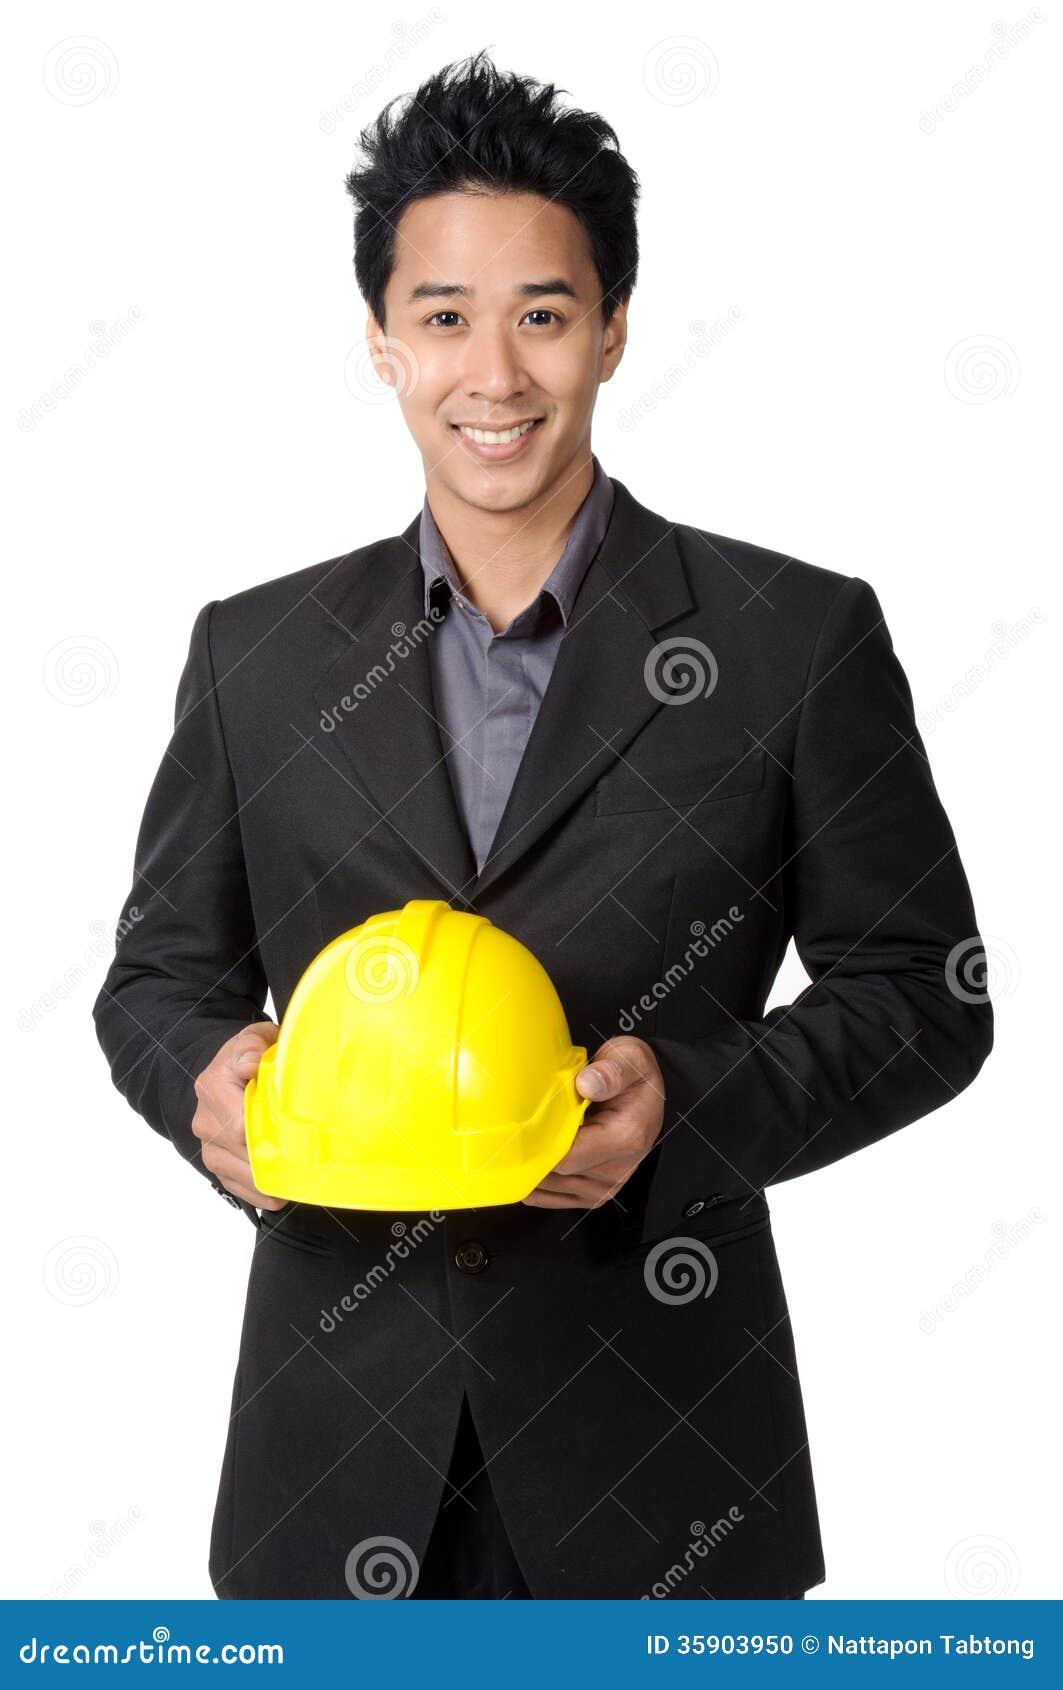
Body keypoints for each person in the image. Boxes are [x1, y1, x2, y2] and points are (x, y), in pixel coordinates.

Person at [92, 50, 993, 1601]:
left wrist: (686, 1109)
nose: (492, 376)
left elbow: (925, 994)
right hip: (332, 1457)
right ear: (381, 340)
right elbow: (154, 976)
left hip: (667, 1471)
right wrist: (204, 1080)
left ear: (615, 330)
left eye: (544, 314)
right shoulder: (256, 654)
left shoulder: (793, 639)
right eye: (442, 316)